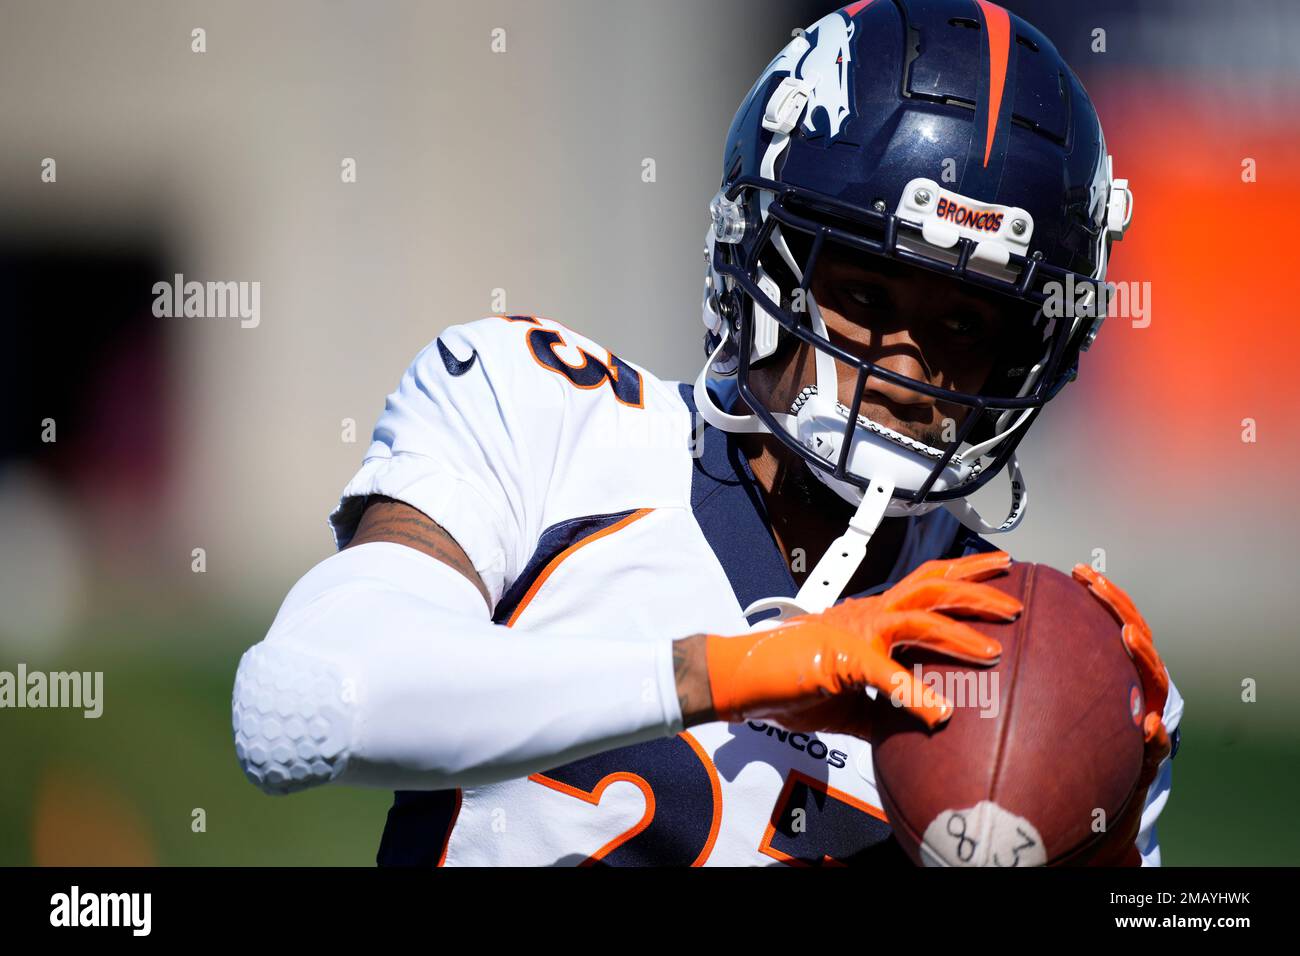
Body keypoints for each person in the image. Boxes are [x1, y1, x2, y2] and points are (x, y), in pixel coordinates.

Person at [232, 0, 1181, 866]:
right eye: (860, 294)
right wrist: (749, 671)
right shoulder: (546, 413)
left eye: (965, 323)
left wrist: (1100, 847)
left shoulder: (1022, 664)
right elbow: (301, 705)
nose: (908, 368)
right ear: (757, 258)